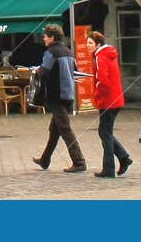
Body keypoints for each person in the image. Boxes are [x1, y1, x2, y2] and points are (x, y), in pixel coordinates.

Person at [32, 25, 87, 173]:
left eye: (45, 36)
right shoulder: (68, 52)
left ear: (52, 37)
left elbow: (45, 72)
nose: (43, 38)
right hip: (68, 94)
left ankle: (79, 162)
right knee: (55, 129)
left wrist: (37, 70)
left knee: (65, 129)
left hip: (55, 95)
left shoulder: (50, 52)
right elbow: (75, 71)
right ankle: (45, 159)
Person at [89, 30, 131, 179]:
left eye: (90, 43)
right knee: (105, 132)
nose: (88, 46)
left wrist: (96, 95)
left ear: (98, 44)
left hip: (108, 100)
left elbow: (103, 80)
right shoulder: (109, 53)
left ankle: (109, 168)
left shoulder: (100, 56)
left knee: (104, 133)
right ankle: (124, 158)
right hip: (115, 98)